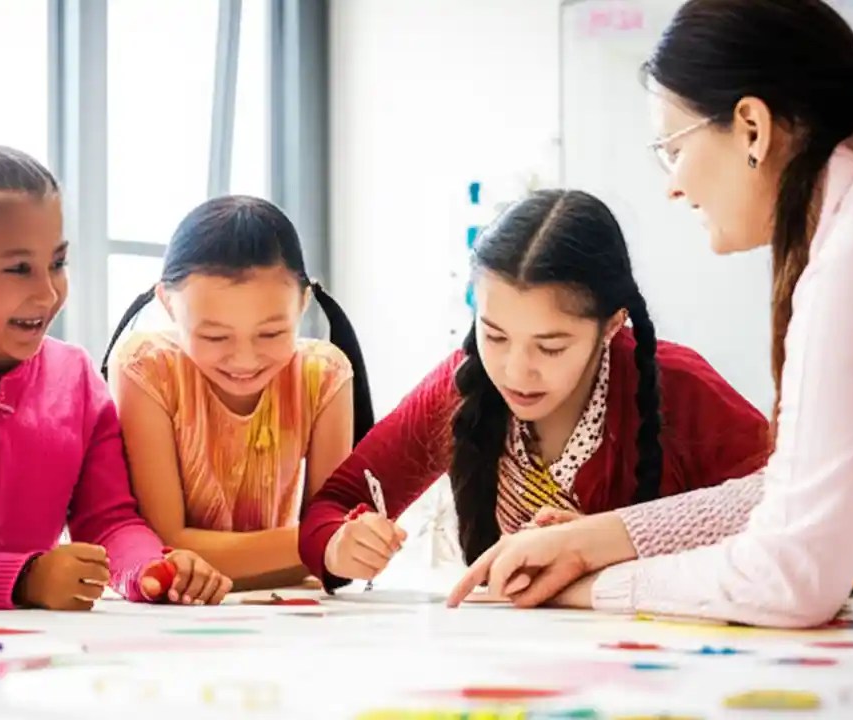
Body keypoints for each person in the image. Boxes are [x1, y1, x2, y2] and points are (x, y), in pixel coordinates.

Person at [449, 0, 853, 628]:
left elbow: (789, 578)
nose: (672, 185)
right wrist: (593, 540)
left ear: (752, 128)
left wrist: (592, 584)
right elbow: (801, 488)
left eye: (671, 148)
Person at [300, 189, 769, 589]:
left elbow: (797, 517)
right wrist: (340, 545)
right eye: (495, 335)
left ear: (612, 326)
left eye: (551, 347)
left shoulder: (679, 387)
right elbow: (331, 506)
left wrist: (610, 542)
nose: (516, 371)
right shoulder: (463, 382)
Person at [0, 145, 232, 609]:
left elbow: (110, 521)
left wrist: (152, 569)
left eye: (57, 263)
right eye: (18, 269)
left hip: (32, 646)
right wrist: (25, 579)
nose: (47, 291)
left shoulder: (77, 376)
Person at [102, 196, 372, 589]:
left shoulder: (325, 375)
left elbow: (332, 549)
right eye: (214, 335)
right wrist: (319, 545)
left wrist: (329, 547)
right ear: (169, 304)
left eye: (271, 333)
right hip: (165, 605)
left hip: (279, 607)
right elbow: (163, 545)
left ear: (303, 302)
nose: (244, 360)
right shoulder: (147, 368)